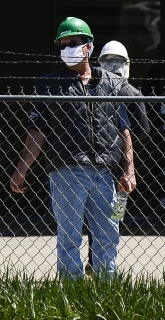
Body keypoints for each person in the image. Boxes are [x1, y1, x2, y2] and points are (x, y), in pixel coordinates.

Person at [8, 17, 136, 278]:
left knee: (109, 233)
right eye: (63, 45)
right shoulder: (49, 85)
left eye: (73, 43)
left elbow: (124, 129)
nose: (67, 49)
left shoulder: (111, 84)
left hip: (105, 172)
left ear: (88, 46)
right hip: (66, 171)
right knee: (69, 236)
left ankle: (108, 285)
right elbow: (37, 131)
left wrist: (129, 169)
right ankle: (71, 289)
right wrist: (22, 169)